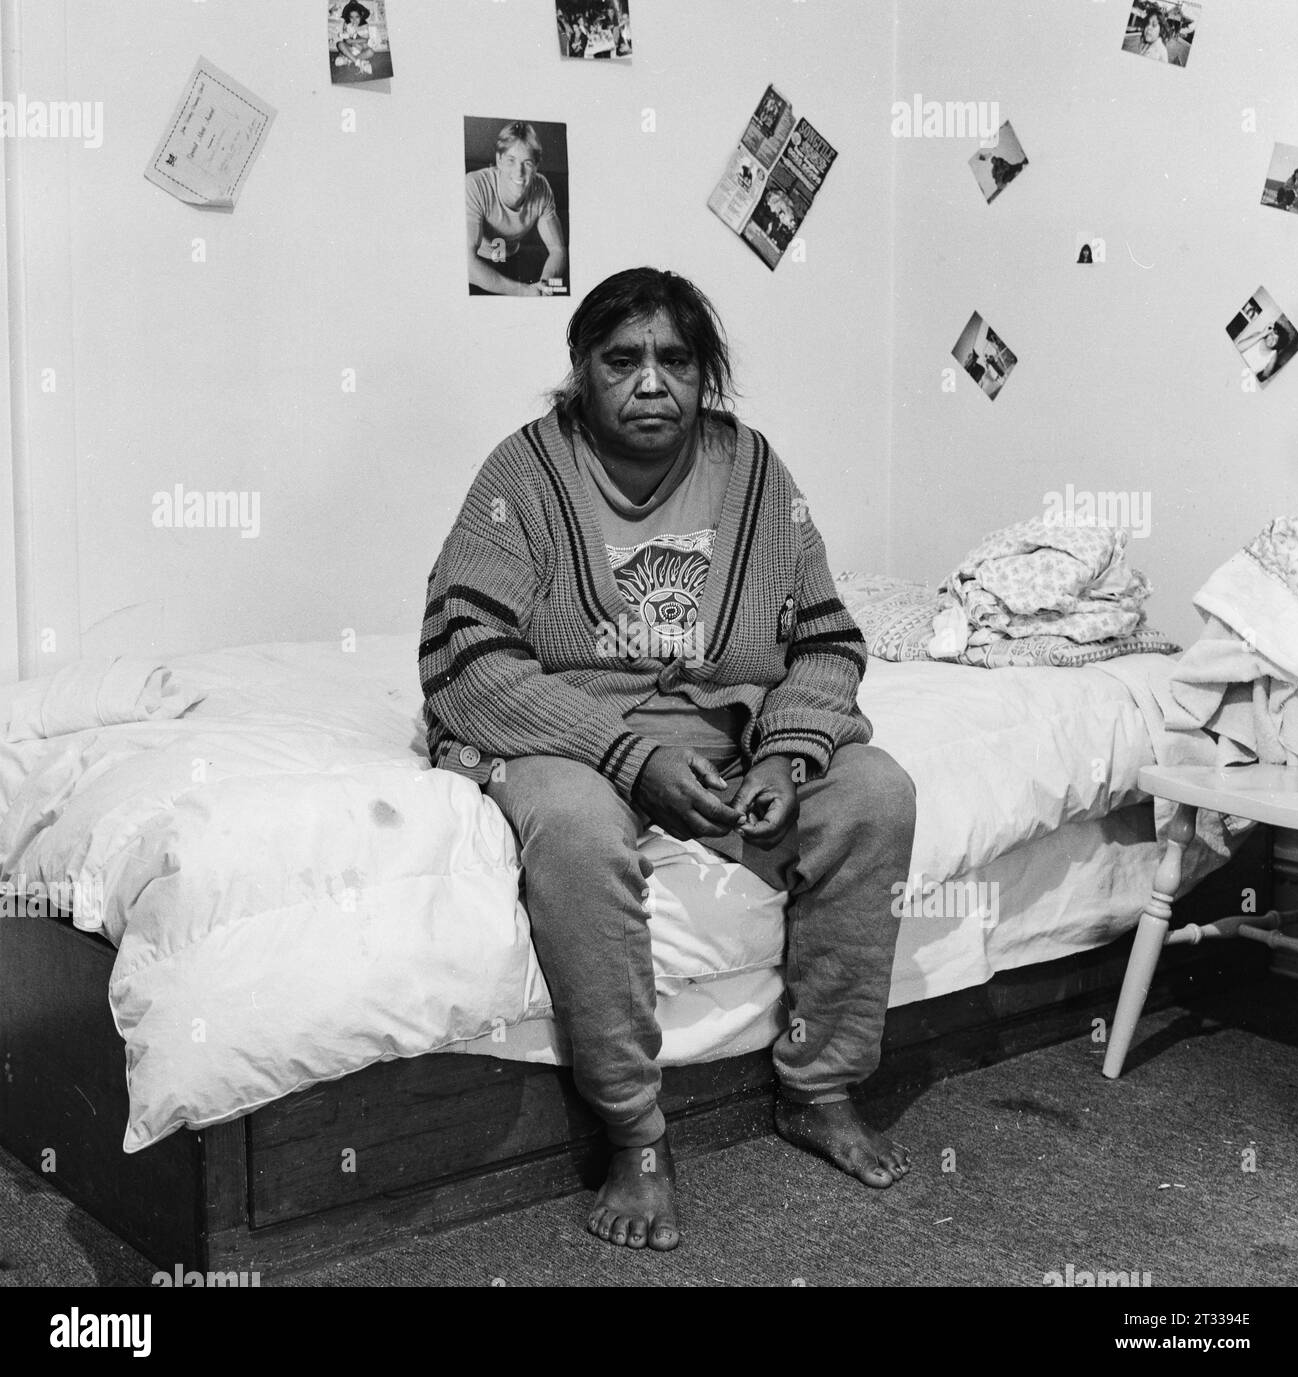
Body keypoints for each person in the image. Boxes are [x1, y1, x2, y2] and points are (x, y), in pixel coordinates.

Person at [419, 268, 917, 1251]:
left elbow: (823, 640)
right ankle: (635, 1137)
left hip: (724, 744)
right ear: (580, 373)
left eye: (675, 361)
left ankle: (818, 1091)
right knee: (570, 827)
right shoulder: (521, 476)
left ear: (705, 377)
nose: (650, 383)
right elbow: (462, 660)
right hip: (566, 731)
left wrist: (786, 753)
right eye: (622, 360)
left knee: (875, 791)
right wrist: (623, 752)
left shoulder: (755, 474)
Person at [465, 122, 568, 297]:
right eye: (510, 160)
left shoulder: (541, 188)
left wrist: (544, 285)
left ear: (536, 166)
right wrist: (524, 291)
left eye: (527, 163)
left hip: (513, 257)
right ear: (499, 160)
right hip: (478, 264)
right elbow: (466, 263)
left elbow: (558, 250)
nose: (519, 172)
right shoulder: (474, 184)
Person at [334, 2, 375, 76]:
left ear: (361, 16)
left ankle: (347, 60)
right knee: (340, 44)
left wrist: (353, 41)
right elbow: (346, 39)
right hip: (350, 48)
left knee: (371, 52)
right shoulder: (347, 24)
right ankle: (358, 62)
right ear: (349, 17)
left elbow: (366, 39)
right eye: (351, 17)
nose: (354, 20)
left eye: (357, 17)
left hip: (360, 50)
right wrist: (349, 38)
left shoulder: (364, 25)